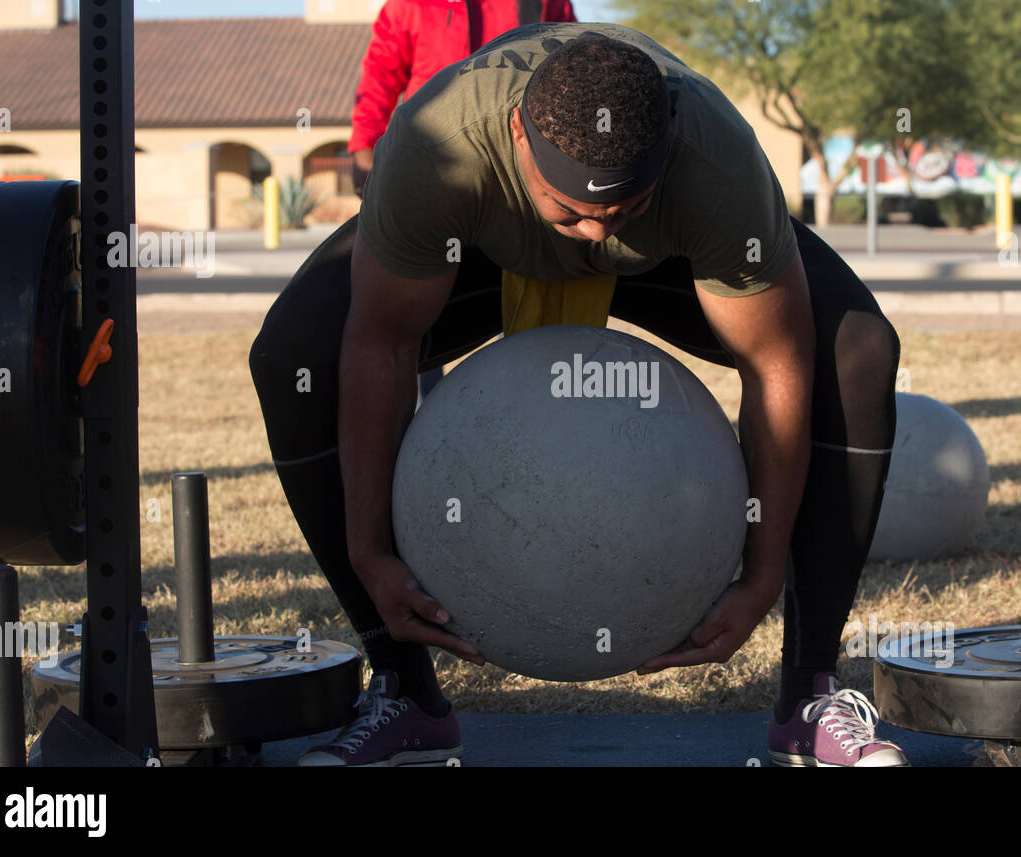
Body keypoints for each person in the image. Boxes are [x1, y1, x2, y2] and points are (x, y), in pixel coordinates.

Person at [251, 23, 906, 768]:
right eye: (570, 210)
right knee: (292, 355)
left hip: (661, 254)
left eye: (619, 208)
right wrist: (370, 549)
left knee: (855, 352)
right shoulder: (438, 146)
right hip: (485, 243)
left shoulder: (714, 164)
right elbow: (382, 343)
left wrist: (758, 574)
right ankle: (403, 692)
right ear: (517, 140)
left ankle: (810, 694)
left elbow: (775, 361)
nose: (593, 232)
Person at [349, 0, 577, 196]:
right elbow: (379, 76)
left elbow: (573, 66)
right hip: (430, 157)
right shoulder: (410, 4)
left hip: (513, 162)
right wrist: (364, 148)